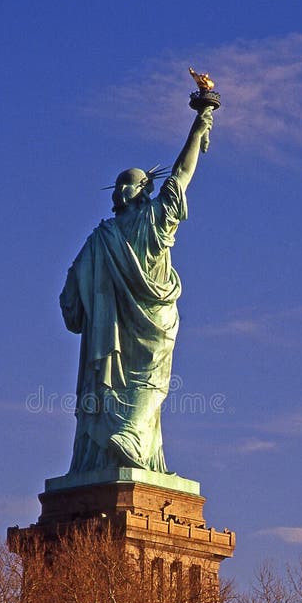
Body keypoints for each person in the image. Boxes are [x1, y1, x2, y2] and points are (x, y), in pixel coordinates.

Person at [60, 107, 213, 473]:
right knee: (149, 382)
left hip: (117, 329)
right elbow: (182, 174)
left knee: (128, 384)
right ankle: (128, 440)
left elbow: (69, 298)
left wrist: (199, 124)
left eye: (121, 184)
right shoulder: (135, 225)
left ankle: (121, 444)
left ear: (129, 191)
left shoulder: (102, 238)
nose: (117, 190)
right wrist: (201, 123)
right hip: (155, 320)